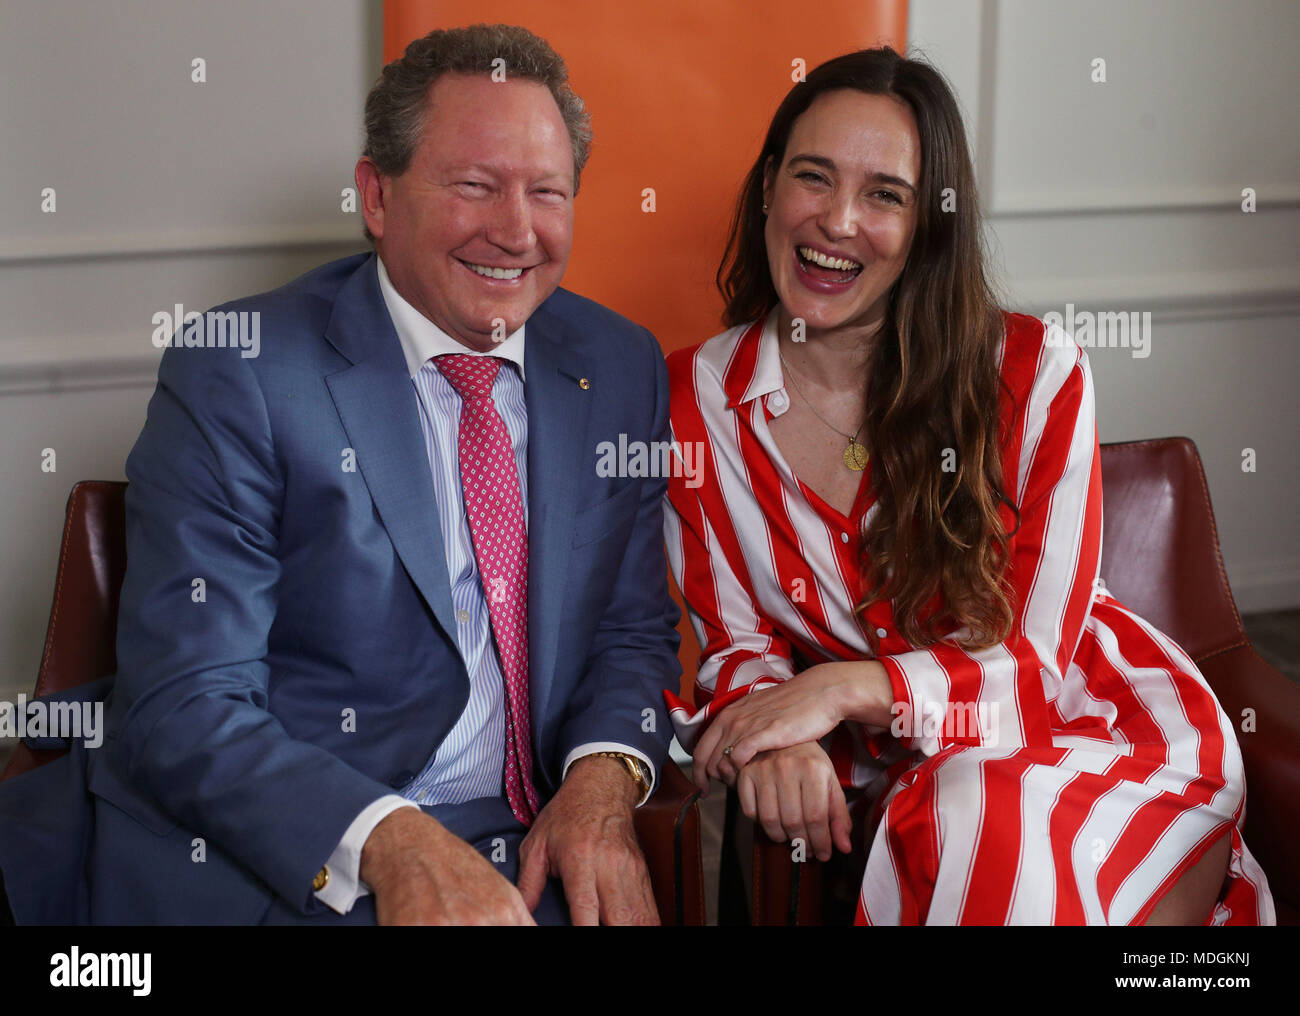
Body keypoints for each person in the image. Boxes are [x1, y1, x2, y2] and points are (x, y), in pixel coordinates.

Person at [0, 24, 680, 925]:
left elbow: (632, 632)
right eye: (475, 185)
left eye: (547, 193)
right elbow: (187, 703)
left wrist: (601, 784)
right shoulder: (239, 369)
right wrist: (393, 843)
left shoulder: (618, 363)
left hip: (524, 841)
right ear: (376, 195)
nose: (516, 231)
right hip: (286, 847)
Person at [663, 47, 1274, 925]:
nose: (838, 220)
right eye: (812, 176)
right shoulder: (699, 399)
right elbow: (735, 644)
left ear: (928, 226)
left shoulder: (1034, 369)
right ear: (768, 189)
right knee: (967, 812)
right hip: (924, 774)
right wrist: (776, 739)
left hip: (1107, 729)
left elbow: (1030, 672)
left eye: (885, 195)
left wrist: (840, 687)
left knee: (980, 815)